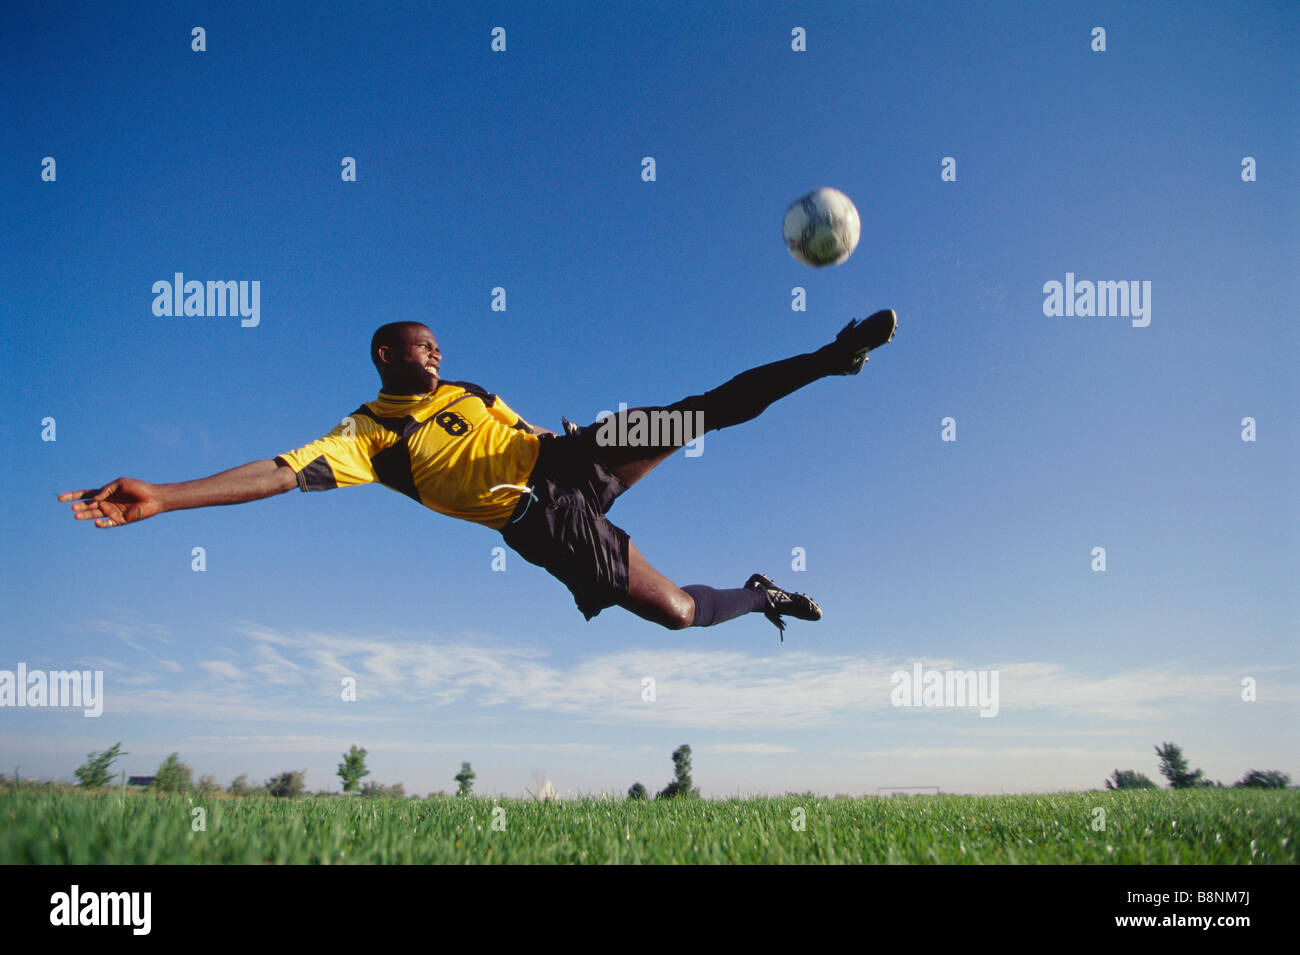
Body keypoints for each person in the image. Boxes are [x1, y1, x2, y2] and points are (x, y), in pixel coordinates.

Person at [58, 310, 897, 637]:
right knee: (678, 613)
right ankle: (762, 593)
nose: (438, 355)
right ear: (386, 353)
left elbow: (509, 425)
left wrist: (558, 435)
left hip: (569, 457)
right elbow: (277, 474)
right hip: (543, 523)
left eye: (438, 348)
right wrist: (165, 495)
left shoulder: (467, 385)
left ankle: (832, 355)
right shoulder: (363, 437)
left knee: (696, 411)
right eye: (423, 347)